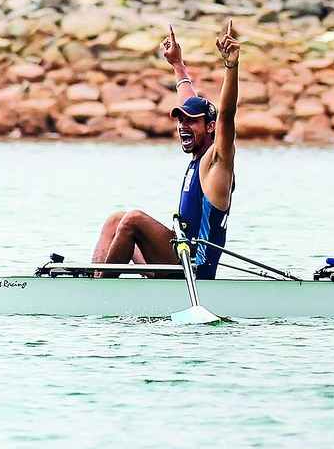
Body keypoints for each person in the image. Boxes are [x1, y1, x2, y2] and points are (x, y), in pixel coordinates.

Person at [90, 21, 241, 280]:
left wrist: (231, 66)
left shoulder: (217, 161)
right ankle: (93, 280)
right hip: (176, 256)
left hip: (196, 270)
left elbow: (227, 114)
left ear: (210, 127)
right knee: (116, 220)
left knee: (133, 220)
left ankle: (101, 290)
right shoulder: (196, 151)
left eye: (191, 121)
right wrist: (177, 65)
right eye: (180, 120)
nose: (183, 125)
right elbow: (187, 99)